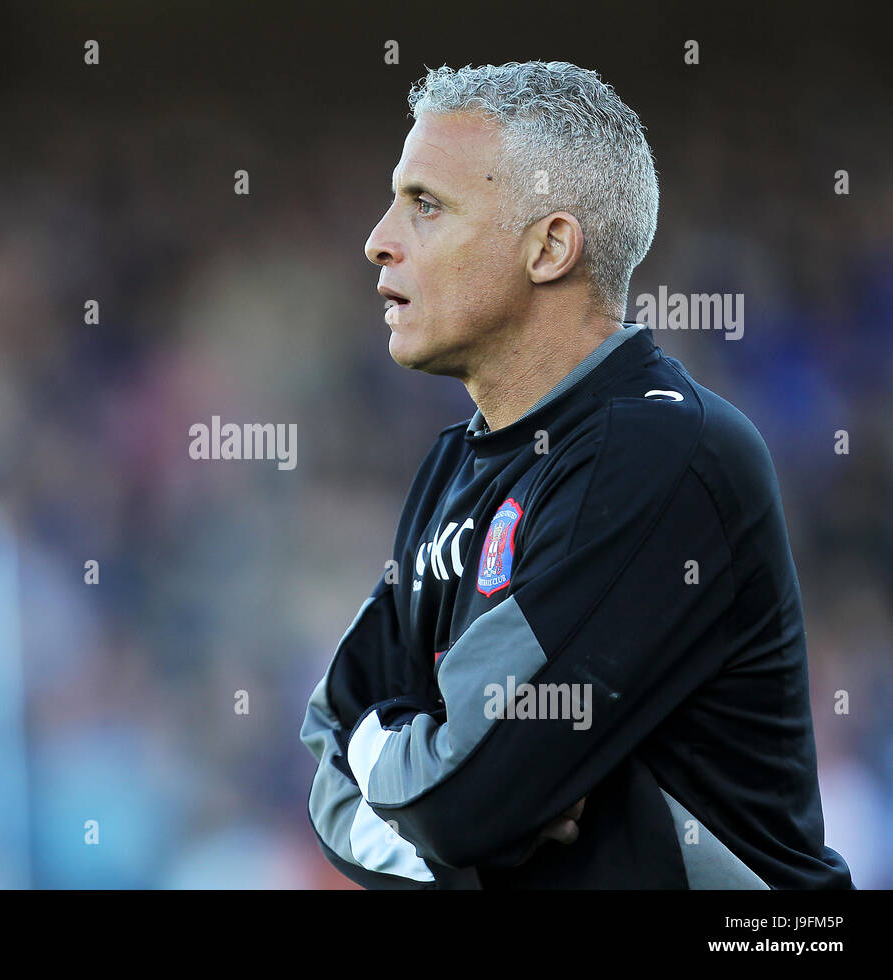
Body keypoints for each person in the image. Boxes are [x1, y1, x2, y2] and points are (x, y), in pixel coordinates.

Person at [300, 61, 852, 888]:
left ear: (550, 247)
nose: (379, 238)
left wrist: (429, 773)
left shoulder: (662, 453)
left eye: (425, 204)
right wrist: (460, 790)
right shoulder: (454, 465)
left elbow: (454, 800)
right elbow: (331, 759)